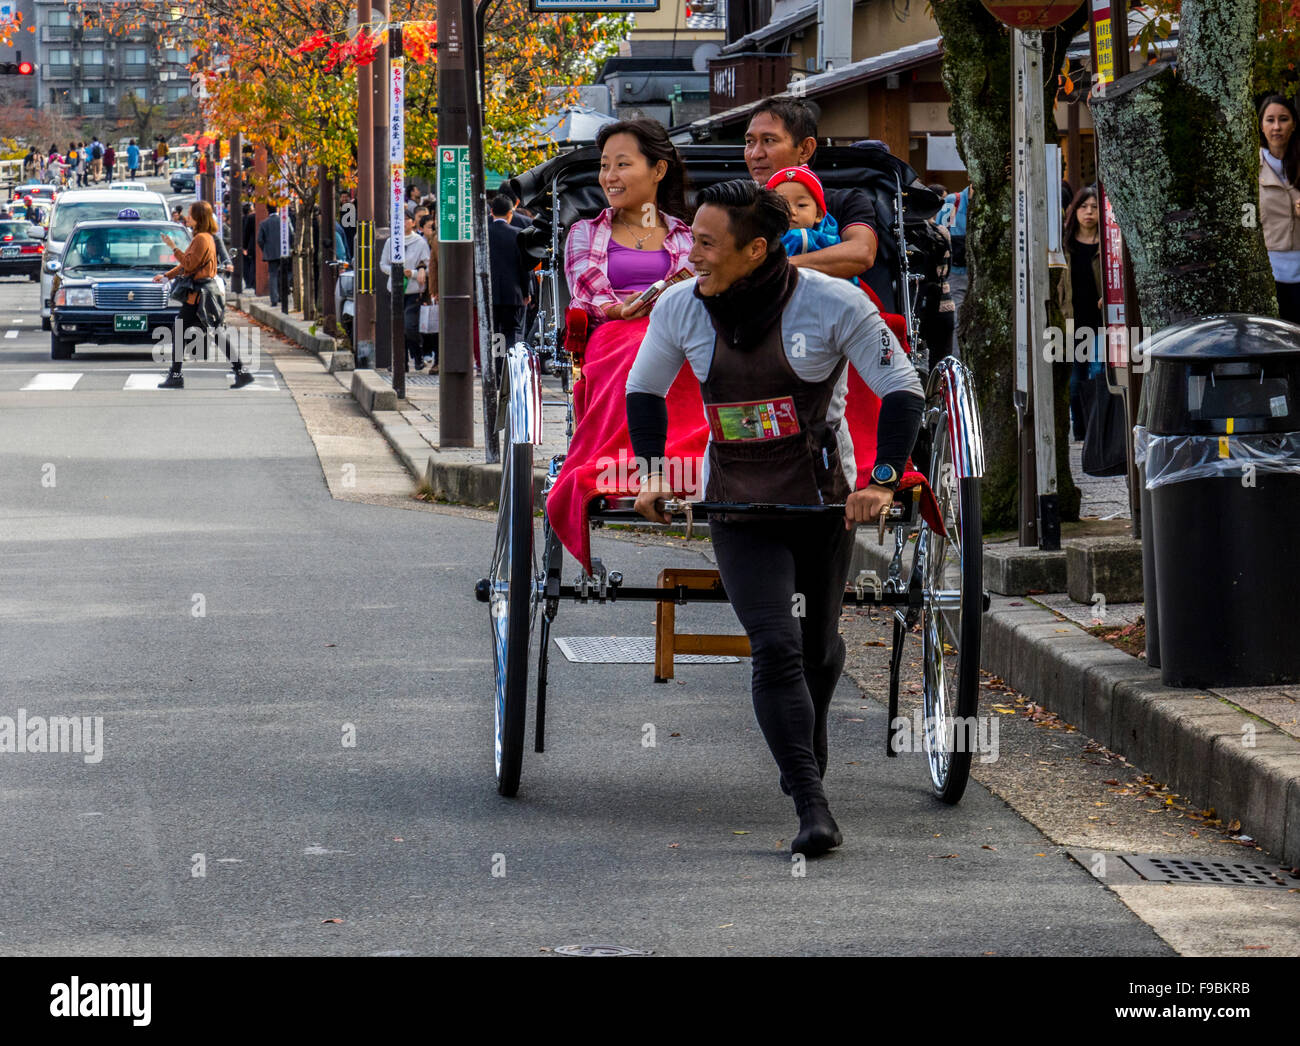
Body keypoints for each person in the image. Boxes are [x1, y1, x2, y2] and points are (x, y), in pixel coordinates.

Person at [627, 180, 923, 857]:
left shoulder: (834, 304)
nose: (690, 253)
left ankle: (804, 754)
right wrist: (649, 477)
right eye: (690, 237)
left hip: (819, 502)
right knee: (776, 644)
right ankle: (811, 804)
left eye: (706, 243)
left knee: (817, 649)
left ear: (755, 249)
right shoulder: (679, 308)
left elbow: (902, 389)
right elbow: (643, 390)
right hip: (736, 503)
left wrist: (882, 481)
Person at [742, 99, 884, 302]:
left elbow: (861, 252)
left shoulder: (844, 201)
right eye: (749, 142)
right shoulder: (737, 206)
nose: (755, 154)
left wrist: (778, 268)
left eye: (769, 140)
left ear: (805, 149)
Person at [154, 201, 251, 390]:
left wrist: (173, 247)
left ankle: (176, 376)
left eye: (190, 214)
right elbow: (187, 265)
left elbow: (188, 264)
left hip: (199, 295)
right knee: (213, 332)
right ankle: (241, 372)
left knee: (185, 330)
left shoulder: (201, 239)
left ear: (198, 217)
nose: (187, 218)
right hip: (201, 294)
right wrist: (166, 276)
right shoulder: (204, 237)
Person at [1063, 186, 1104, 442]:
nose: (1089, 212)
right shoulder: (1065, 245)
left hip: (1101, 321)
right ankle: (1080, 430)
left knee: (1098, 374)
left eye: (1094, 207)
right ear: (1074, 210)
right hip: (1072, 322)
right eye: (1083, 206)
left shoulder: (1109, 244)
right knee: (1075, 379)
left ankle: (1098, 429)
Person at [1259, 94, 1300, 323]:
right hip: (1271, 277)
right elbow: (1246, 222)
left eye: (1283, 119)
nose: (1277, 127)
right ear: (1261, 126)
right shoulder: (1250, 168)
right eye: (1270, 120)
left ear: (1293, 124)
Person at [378, 211, 432, 370]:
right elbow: (383, 264)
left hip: (414, 290)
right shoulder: (390, 241)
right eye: (399, 220)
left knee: (410, 326)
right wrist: (397, 271)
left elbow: (428, 268)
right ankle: (400, 363)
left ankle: (417, 355)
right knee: (397, 327)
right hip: (395, 289)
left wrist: (413, 273)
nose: (403, 223)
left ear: (413, 223)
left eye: (406, 219)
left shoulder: (420, 242)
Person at [488, 194, 532, 375]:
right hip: (512, 293)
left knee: (495, 332)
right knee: (512, 330)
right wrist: (526, 291)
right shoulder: (517, 235)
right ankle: (510, 368)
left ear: (491, 212)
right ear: (510, 213)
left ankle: (497, 368)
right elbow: (524, 267)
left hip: (489, 293)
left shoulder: (484, 233)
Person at [257, 208, 293, 307]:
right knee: (284, 273)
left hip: (271, 253)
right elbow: (291, 234)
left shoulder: (264, 223)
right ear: (277, 209)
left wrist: (265, 249)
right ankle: (283, 296)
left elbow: (259, 239)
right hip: (284, 251)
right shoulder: (285, 220)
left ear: (268, 210)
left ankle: (274, 299)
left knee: (273, 275)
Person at [241, 203, 257, 288]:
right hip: (251, 245)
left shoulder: (243, 219)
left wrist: (244, 246)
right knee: (252, 264)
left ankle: (249, 282)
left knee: (247, 264)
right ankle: (251, 282)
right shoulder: (252, 218)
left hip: (248, 245)